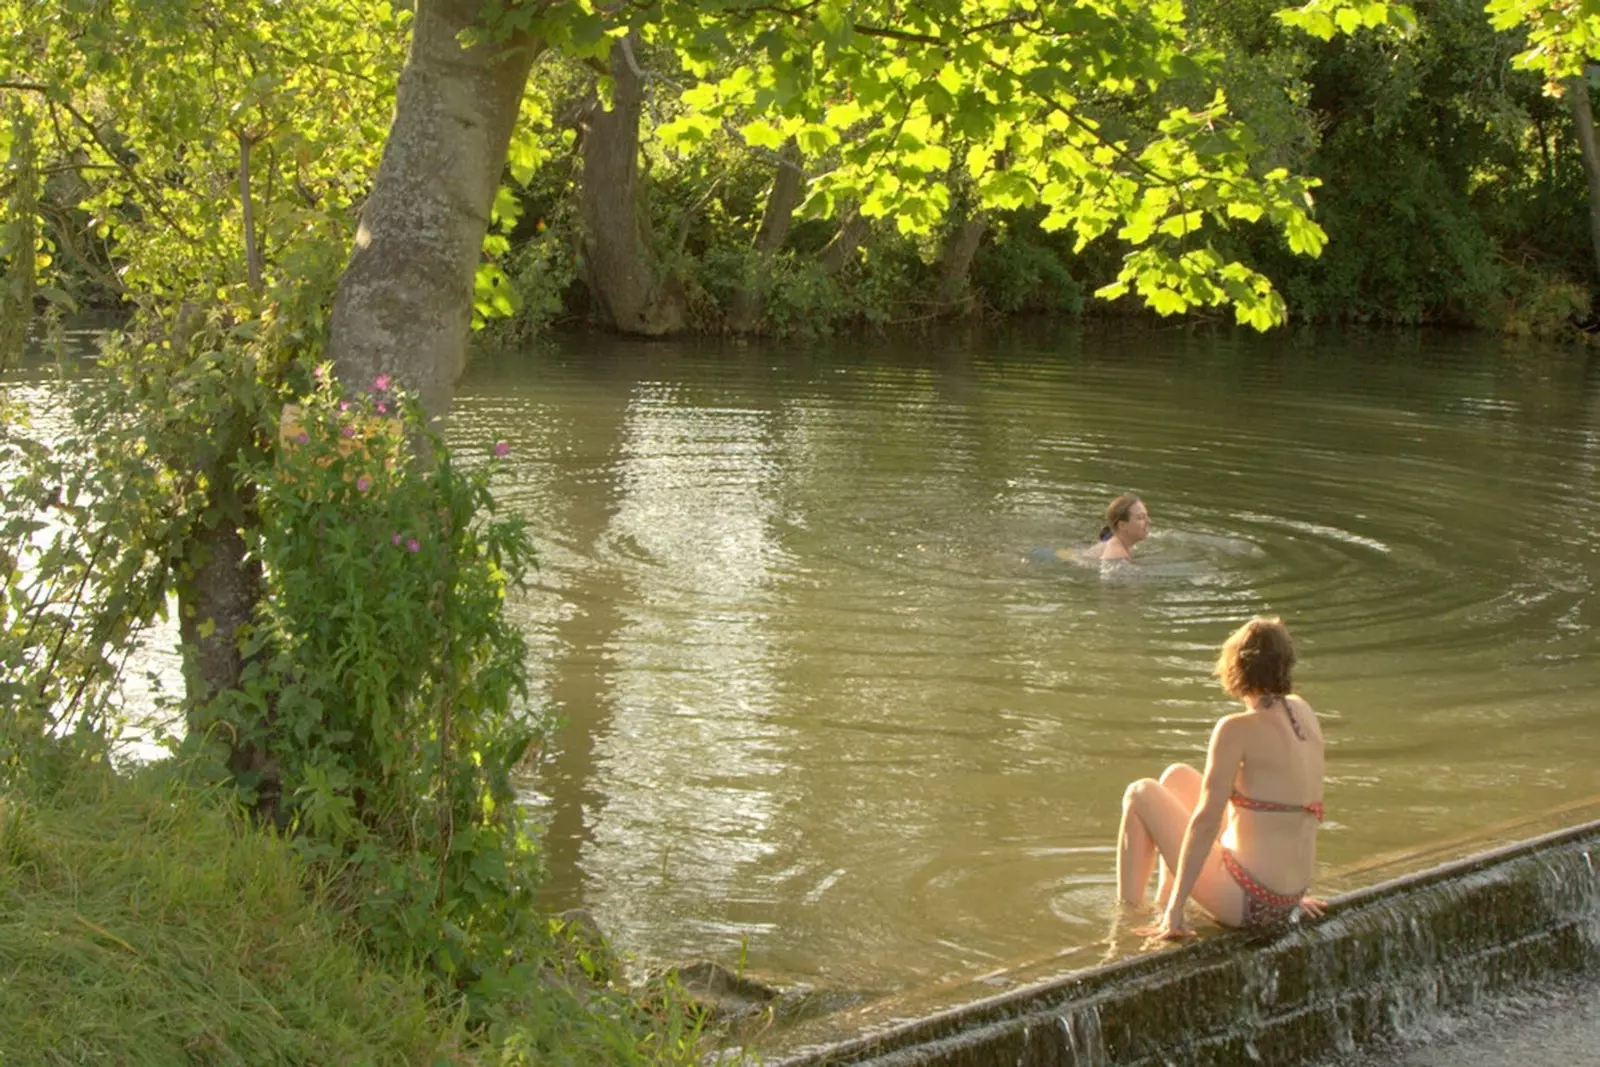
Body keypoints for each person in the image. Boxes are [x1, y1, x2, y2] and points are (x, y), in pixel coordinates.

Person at [1115, 616, 1327, 937]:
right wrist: (1289, 898)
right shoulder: (1302, 711)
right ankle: (1163, 901)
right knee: (1177, 778)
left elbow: (1206, 822)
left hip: (1250, 902)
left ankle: (1130, 918)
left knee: (1140, 792)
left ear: (1235, 667)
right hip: (1288, 896)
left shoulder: (1236, 729)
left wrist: (1176, 914)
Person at [1078, 493, 1150, 562]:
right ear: (1122, 525)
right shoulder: (1117, 557)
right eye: (1141, 517)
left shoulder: (1117, 544)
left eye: (1146, 516)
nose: (1148, 521)